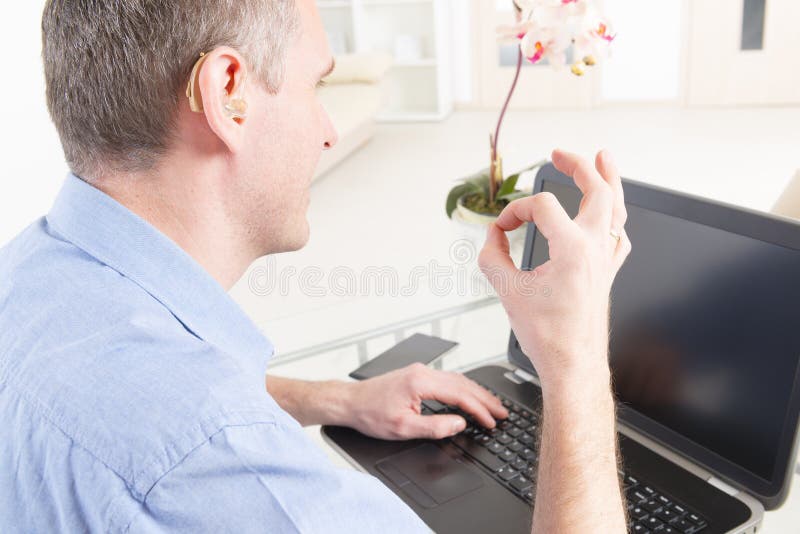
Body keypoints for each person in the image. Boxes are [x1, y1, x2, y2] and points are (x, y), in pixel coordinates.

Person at [0, 0, 630, 532]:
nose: (328, 131)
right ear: (228, 93)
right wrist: (574, 356)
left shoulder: (32, 273)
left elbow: (141, 397)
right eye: (316, 86)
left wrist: (341, 400)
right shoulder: (222, 460)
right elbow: (193, 433)